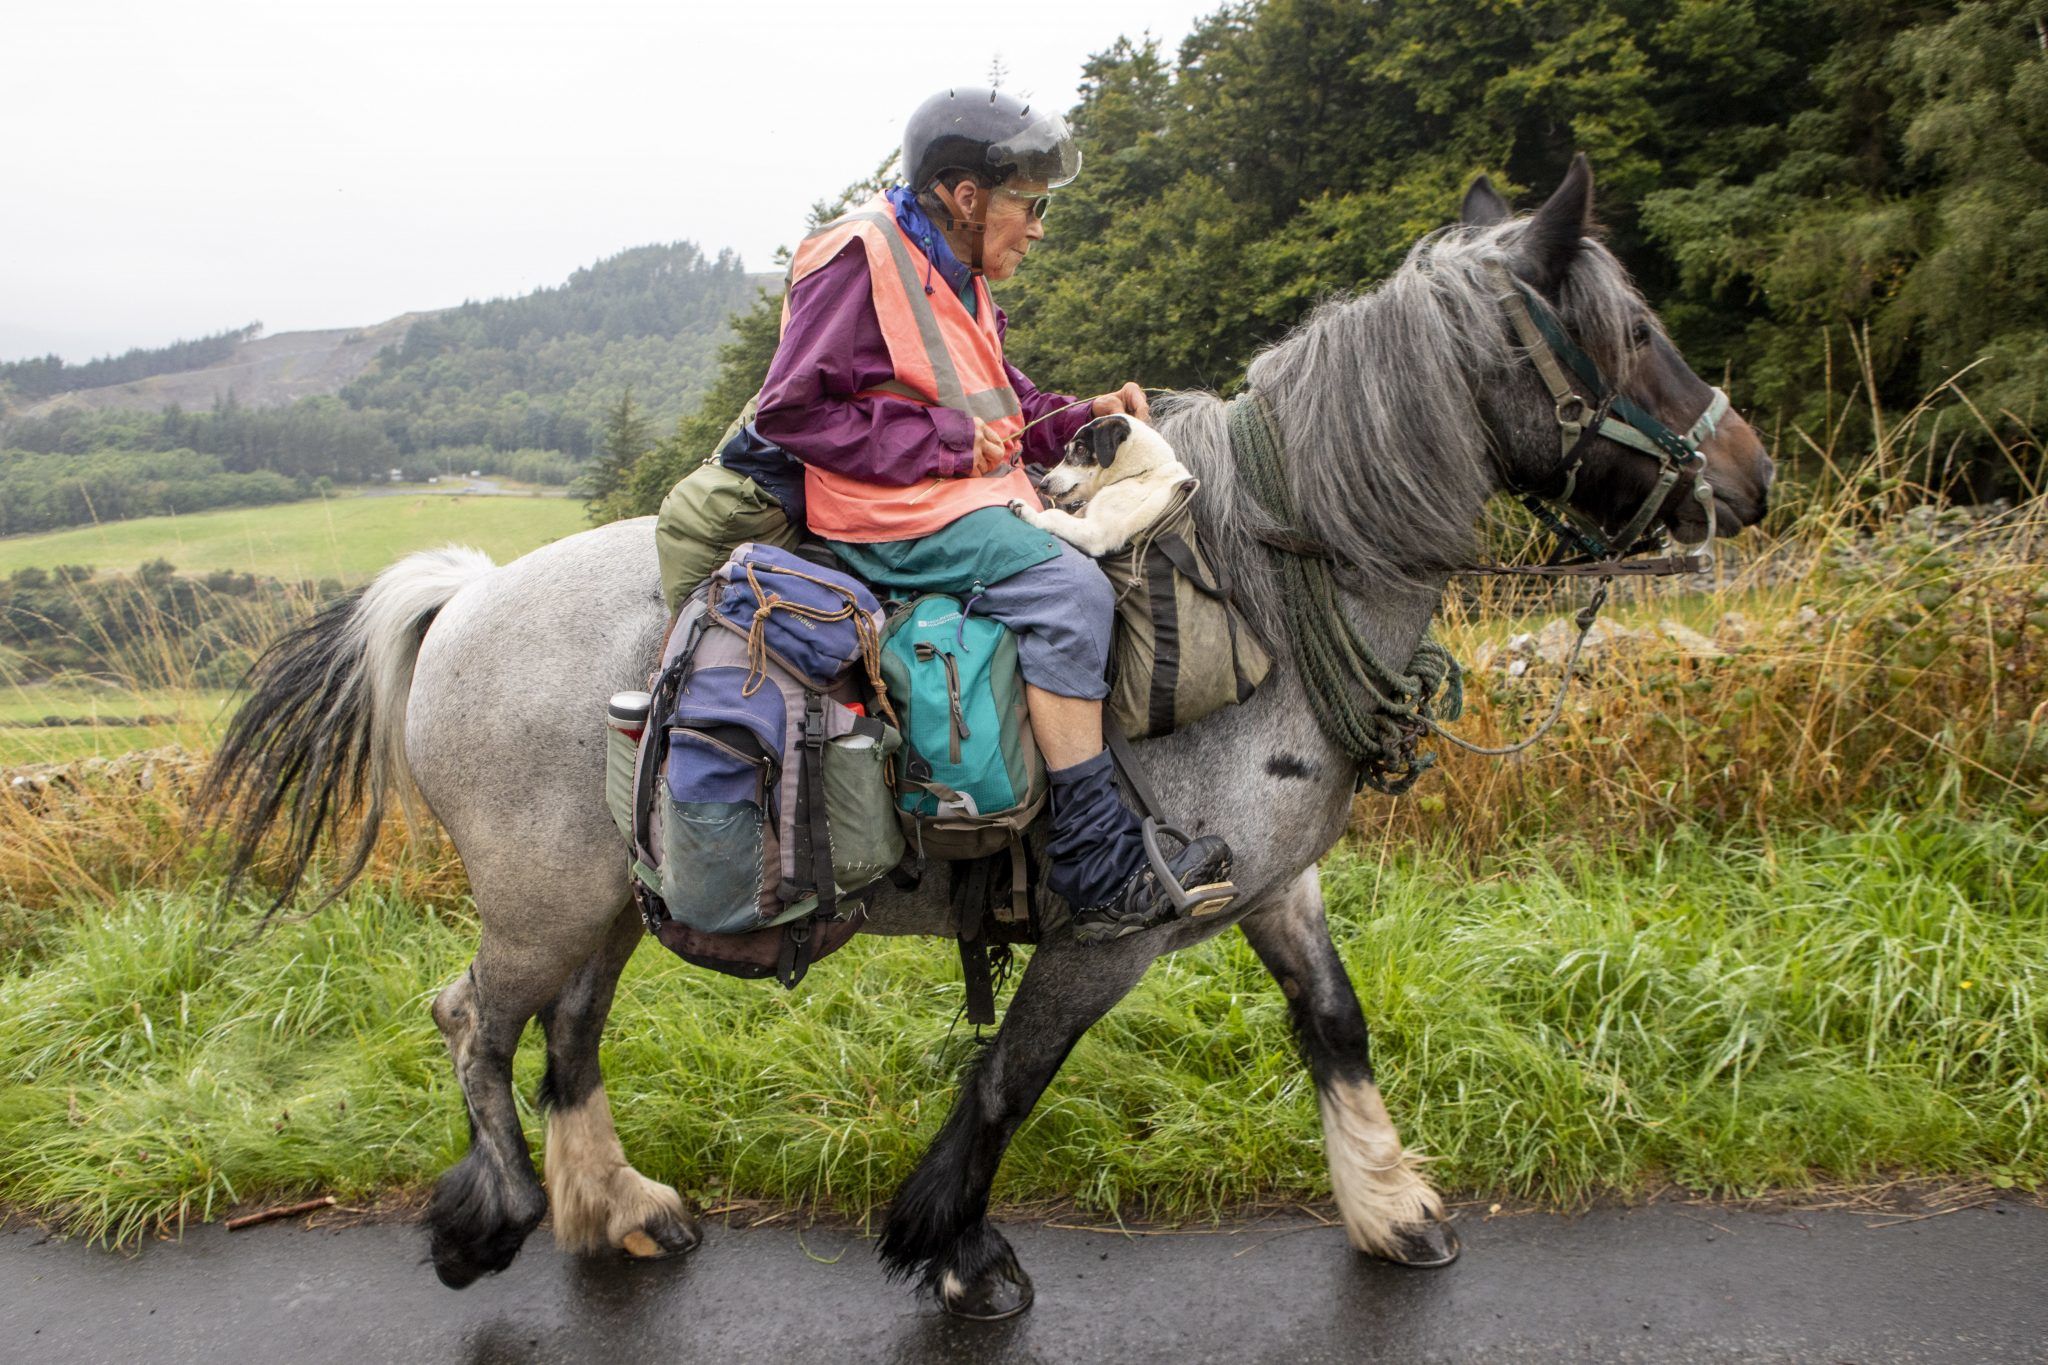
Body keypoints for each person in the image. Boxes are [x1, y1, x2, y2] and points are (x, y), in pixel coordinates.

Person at [750, 86, 1233, 944]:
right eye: (1031, 205)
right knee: (1071, 589)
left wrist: (1079, 417)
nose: (1039, 226)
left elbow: (999, 411)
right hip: (883, 517)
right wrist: (940, 442)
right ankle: (1092, 861)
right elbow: (789, 412)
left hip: (953, 496)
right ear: (967, 196)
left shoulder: (952, 272)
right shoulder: (859, 255)